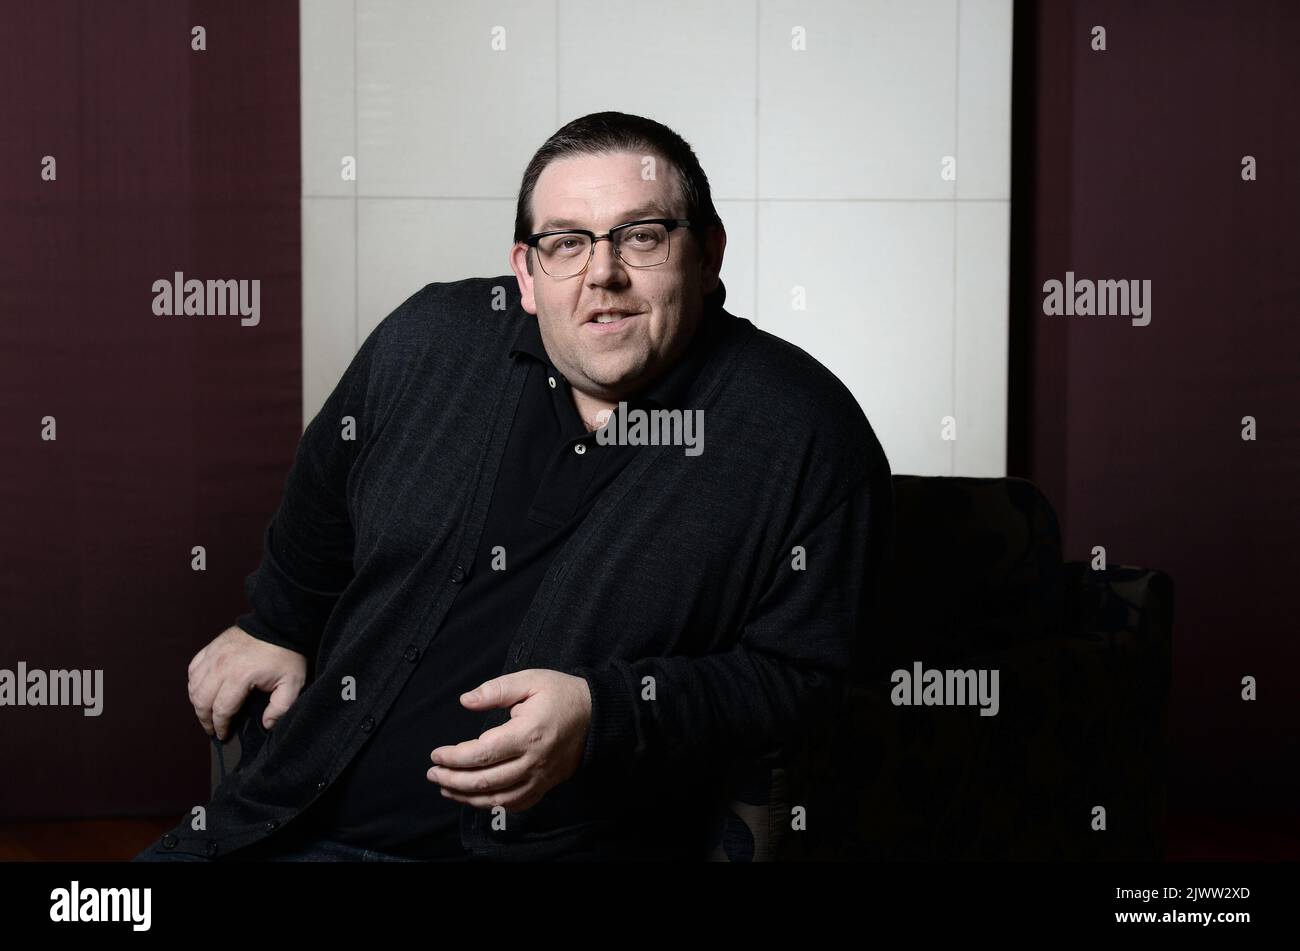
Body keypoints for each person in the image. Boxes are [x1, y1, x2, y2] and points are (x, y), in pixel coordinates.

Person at [134, 111, 893, 863]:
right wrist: (279, 620)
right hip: (286, 816)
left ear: (709, 255)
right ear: (526, 274)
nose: (603, 272)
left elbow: (812, 682)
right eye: (566, 243)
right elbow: (325, 495)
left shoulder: (804, 432)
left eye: (642, 236)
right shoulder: (431, 339)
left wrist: (607, 713)